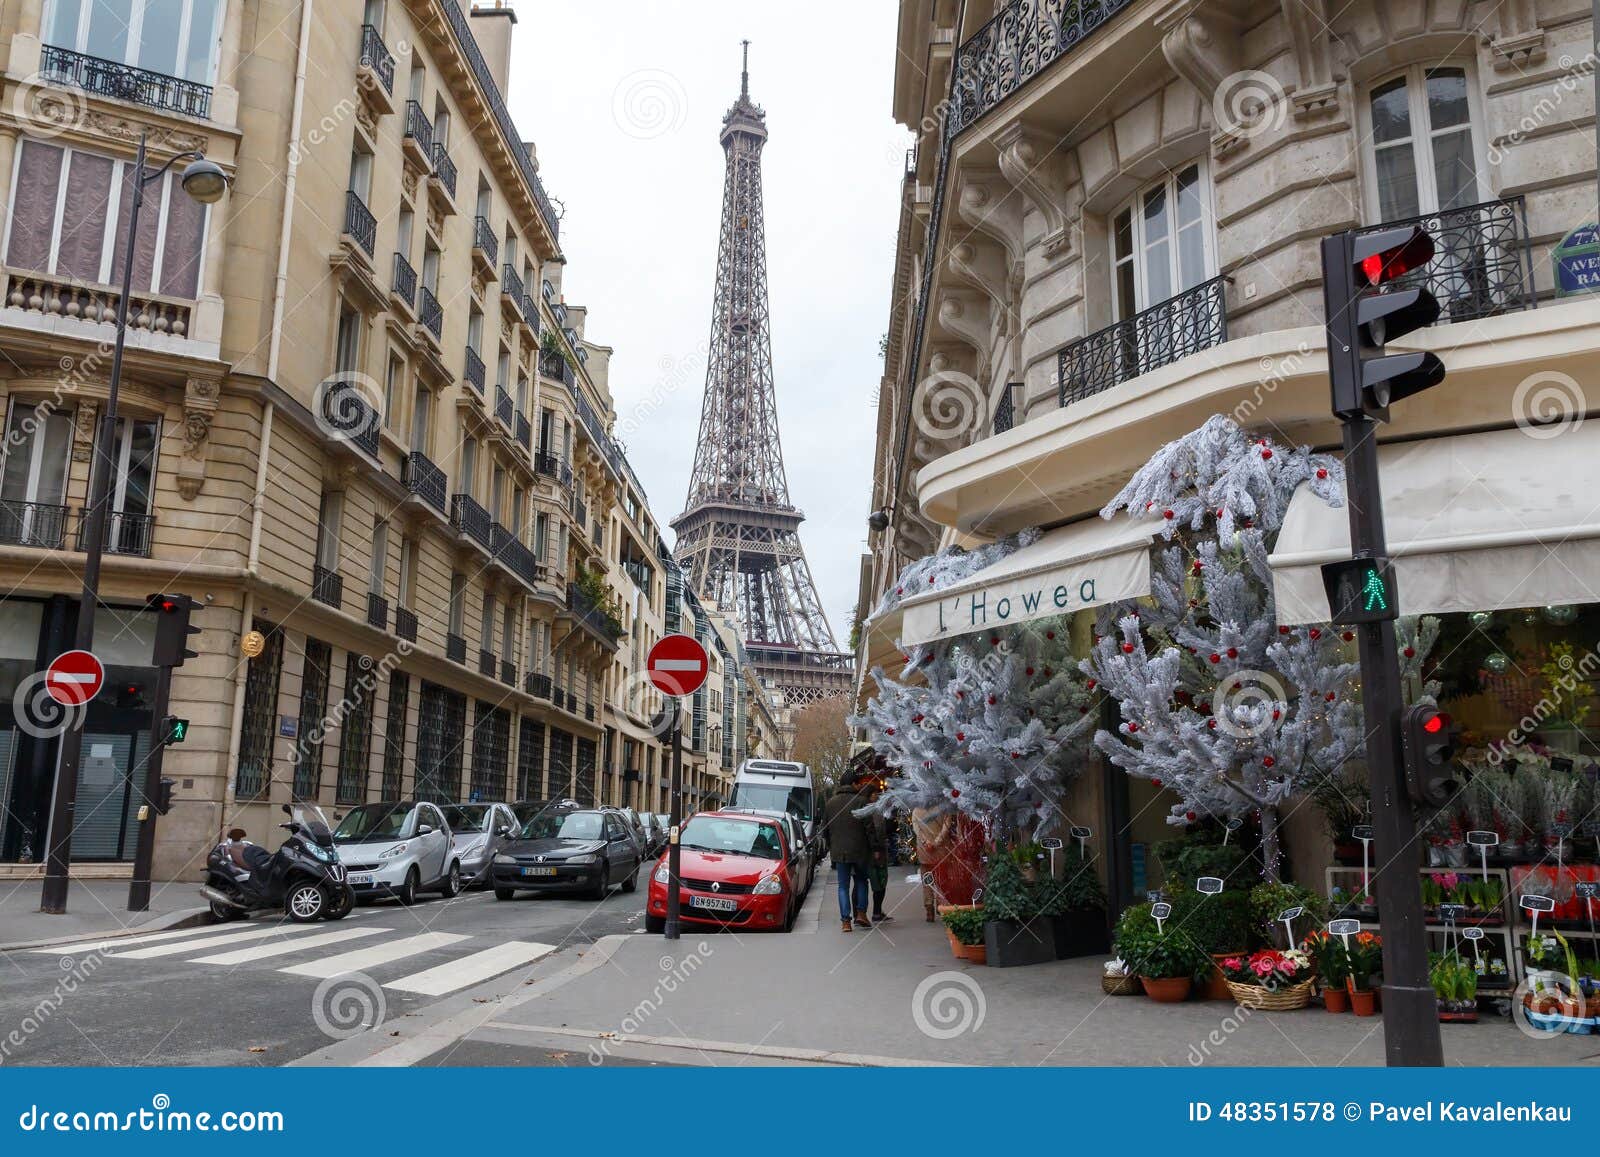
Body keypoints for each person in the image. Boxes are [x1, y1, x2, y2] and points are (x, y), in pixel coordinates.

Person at [821, 774, 872, 932]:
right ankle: (861, 914)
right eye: (858, 784)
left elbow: (825, 830)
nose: (860, 787)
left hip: (839, 851)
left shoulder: (830, 804)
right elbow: (869, 828)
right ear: (853, 784)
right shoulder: (861, 801)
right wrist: (874, 848)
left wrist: (832, 845)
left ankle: (845, 922)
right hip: (860, 850)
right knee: (861, 881)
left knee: (843, 886)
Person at [867, 803, 894, 924]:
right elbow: (878, 830)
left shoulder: (874, 811)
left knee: (878, 883)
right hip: (876, 854)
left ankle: (875, 912)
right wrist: (877, 849)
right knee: (879, 883)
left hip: (874, 852)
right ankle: (876, 912)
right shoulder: (875, 812)